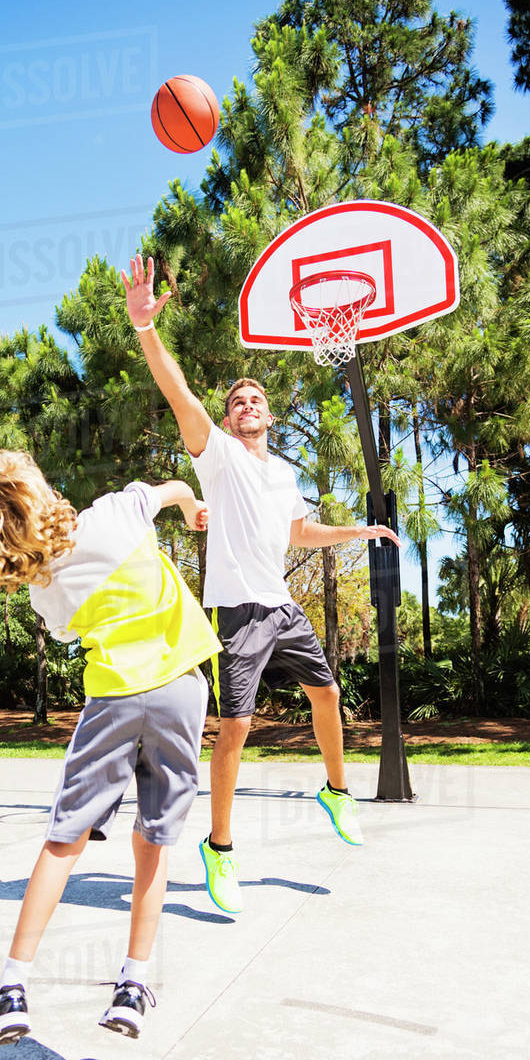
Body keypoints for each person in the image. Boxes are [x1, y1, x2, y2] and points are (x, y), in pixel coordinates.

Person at [121, 255, 402, 915]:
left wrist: (358, 530)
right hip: (238, 612)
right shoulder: (217, 456)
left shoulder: (283, 475)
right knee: (237, 726)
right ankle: (219, 848)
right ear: (228, 420)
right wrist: (145, 328)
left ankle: (336, 790)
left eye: (256, 401)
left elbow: (299, 532)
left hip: (281, 605)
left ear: (270, 418)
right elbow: (180, 394)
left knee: (328, 694)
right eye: (237, 402)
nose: (246, 405)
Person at [0, 449, 220, 1043]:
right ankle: (133, 986)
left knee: (65, 839)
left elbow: (68, 628)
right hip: (180, 691)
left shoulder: (46, 591)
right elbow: (169, 487)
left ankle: (12, 988)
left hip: (114, 697)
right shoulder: (116, 512)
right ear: (38, 491)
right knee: (155, 840)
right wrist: (191, 505)